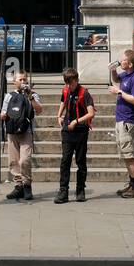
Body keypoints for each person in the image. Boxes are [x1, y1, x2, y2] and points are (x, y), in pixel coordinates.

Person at [107, 49, 134, 198]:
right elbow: (117, 79)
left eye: (122, 60)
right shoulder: (127, 74)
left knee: (129, 156)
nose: (120, 61)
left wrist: (119, 92)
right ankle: (131, 184)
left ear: (129, 64)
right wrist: (113, 70)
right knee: (125, 154)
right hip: (122, 119)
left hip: (129, 122)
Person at [54, 67, 95, 204]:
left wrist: (76, 121)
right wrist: (59, 115)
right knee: (65, 160)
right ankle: (63, 190)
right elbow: (63, 102)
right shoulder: (65, 90)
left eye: (70, 83)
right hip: (67, 130)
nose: (68, 86)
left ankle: (80, 189)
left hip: (81, 130)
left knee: (80, 161)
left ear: (76, 80)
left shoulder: (84, 93)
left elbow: (91, 113)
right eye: (66, 83)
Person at [1, 70, 41, 201]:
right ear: (14, 82)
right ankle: (18, 186)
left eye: (25, 80)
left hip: (26, 131)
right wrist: (2, 116)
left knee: (25, 159)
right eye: (20, 80)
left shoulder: (33, 95)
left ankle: (27, 185)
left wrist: (30, 96)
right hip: (12, 131)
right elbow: (3, 111)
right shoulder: (9, 96)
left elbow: (39, 110)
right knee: (13, 161)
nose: (23, 82)